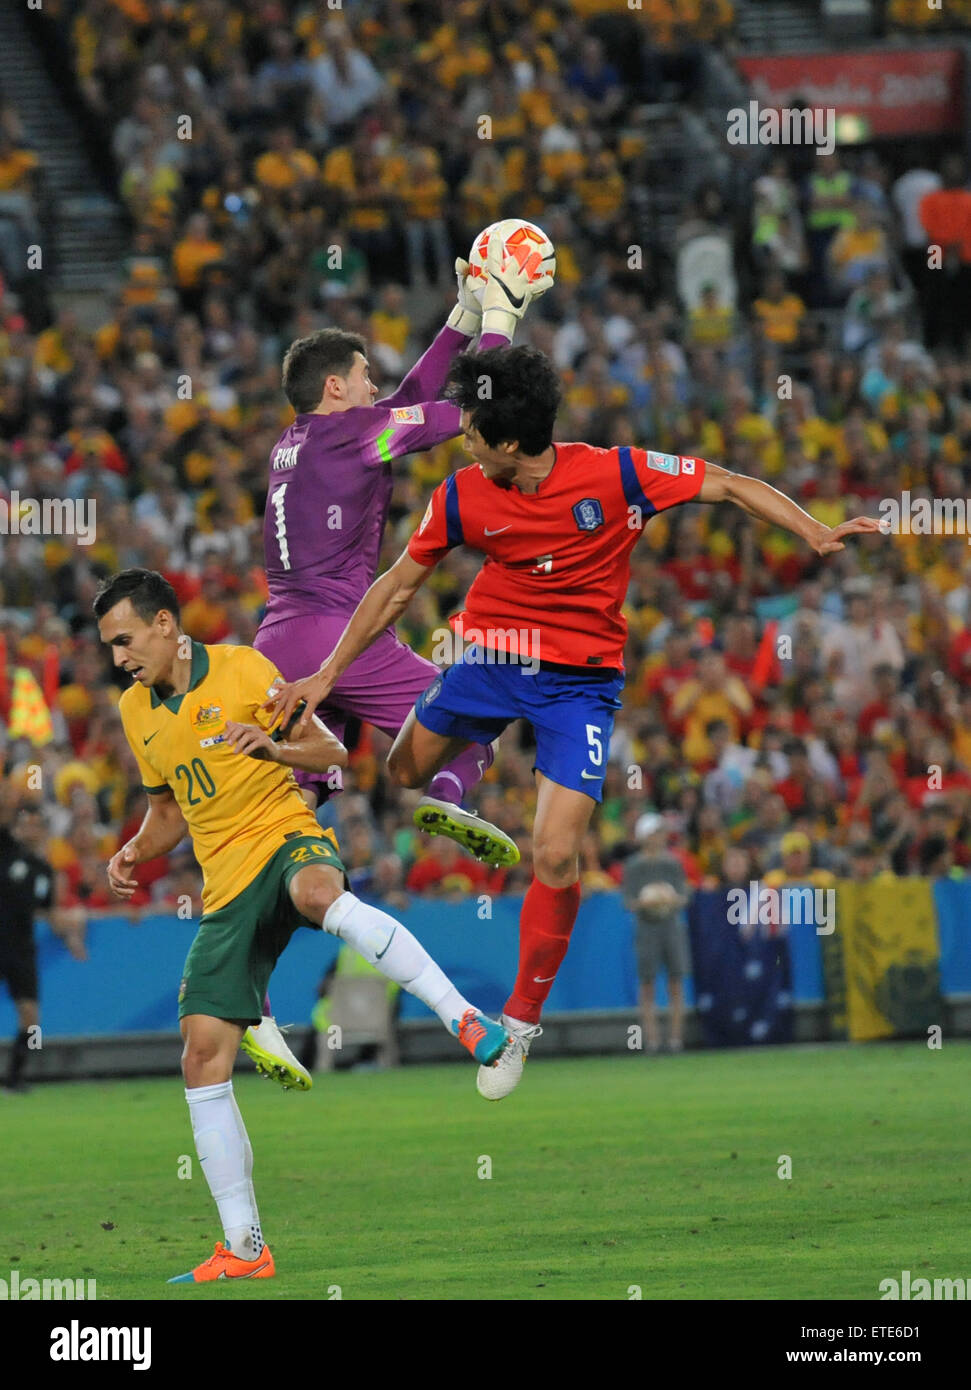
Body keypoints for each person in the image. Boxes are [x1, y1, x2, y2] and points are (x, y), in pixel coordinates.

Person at [266, 343, 885, 1101]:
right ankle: (466, 754)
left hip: (578, 687)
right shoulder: (461, 495)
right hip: (491, 658)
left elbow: (723, 484)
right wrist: (327, 674)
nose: (461, 440)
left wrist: (810, 530)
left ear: (509, 444)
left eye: (472, 434)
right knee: (402, 771)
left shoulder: (616, 473)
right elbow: (395, 587)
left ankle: (519, 1023)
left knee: (555, 855)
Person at [96, 568, 512, 1283]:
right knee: (200, 1055)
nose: (118, 658)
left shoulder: (243, 669)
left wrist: (271, 747)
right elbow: (168, 812)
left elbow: (330, 752)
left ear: (165, 624)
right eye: (109, 646)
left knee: (320, 892)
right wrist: (134, 848)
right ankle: (245, 1247)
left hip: (284, 836)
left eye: (125, 640)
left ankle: (467, 1020)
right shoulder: (137, 712)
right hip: (225, 888)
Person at [245, 228, 551, 1087]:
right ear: (337, 387)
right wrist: (496, 316)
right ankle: (445, 793)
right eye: (365, 377)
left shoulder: (301, 440)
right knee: (473, 707)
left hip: (283, 635)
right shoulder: (351, 438)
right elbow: (469, 412)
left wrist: (454, 318)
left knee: (283, 831)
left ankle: (256, 1009)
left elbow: (412, 398)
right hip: (342, 633)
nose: (378, 386)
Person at [0, 781, 86, 1094]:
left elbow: (50, 912)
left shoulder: (42, 870)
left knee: (30, 1015)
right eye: (25, 824)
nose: (30, 831)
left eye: (36, 826)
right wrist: (11, 795)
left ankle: (14, 1077)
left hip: (21, 948)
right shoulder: (5, 849)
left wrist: (72, 937)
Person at [623, 812, 690, 1054]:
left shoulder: (672, 863)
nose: (659, 837)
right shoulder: (635, 866)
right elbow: (628, 901)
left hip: (670, 926)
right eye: (654, 833)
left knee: (675, 981)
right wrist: (646, 902)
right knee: (647, 983)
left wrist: (669, 899)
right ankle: (651, 1040)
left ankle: (675, 1039)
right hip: (646, 928)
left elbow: (684, 895)